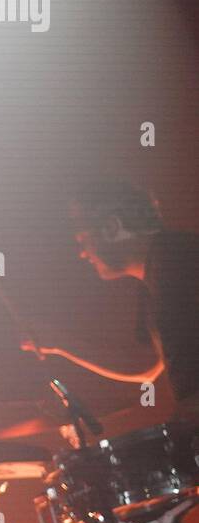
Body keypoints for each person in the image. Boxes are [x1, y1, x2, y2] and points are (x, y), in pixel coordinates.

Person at [25, 179, 199, 421]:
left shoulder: (179, 268)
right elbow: (144, 364)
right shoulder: (159, 270)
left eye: (82, 239)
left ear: (111, 227)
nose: (82, 253)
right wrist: (58, 343)